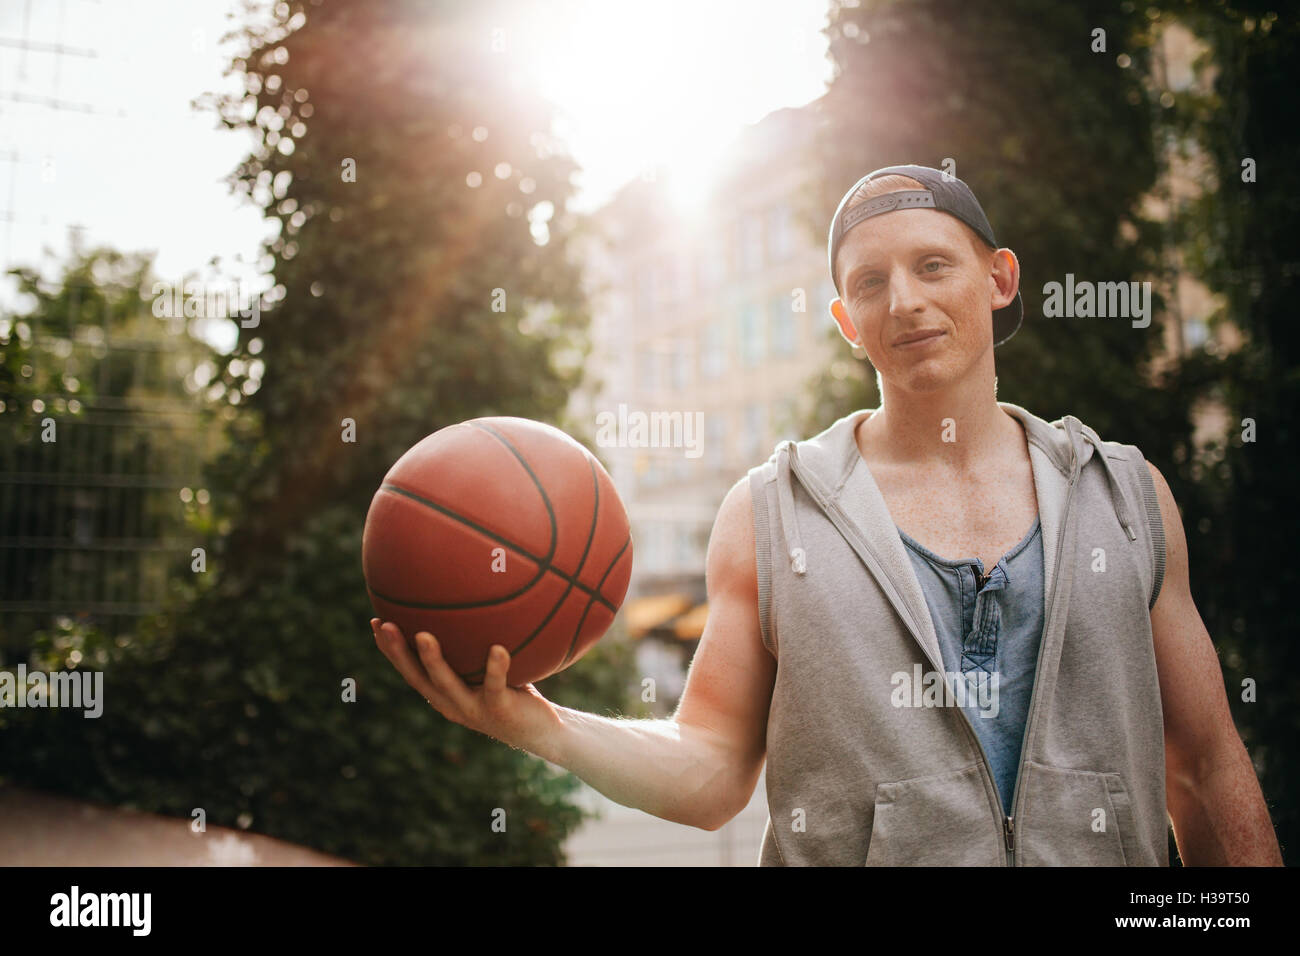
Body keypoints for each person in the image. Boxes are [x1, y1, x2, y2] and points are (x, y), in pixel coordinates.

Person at [371, 164, 1282, 866]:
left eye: (934, 266)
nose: (907, 301)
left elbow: (1204, 767)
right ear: (847, 321)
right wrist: (543, 726)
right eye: (872, 282)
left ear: (999, 279)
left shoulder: (1123, 496)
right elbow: (712, 767)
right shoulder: (771, 514)